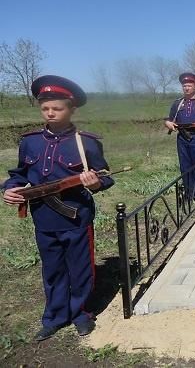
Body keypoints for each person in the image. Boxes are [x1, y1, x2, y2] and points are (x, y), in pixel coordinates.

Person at [2, 75, 114, 341]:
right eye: (45, 108)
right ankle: (54, 317)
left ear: (72, 109)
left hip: (76, 217)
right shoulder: (30, 141)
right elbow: (19, 174)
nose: (50, 113)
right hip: (43, 218)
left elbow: (106, 175)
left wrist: (95, 182)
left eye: (57, 108)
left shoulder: (86, 142)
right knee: (52, 269)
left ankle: (80, 314)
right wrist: (9, 188)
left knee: (80, 269)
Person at [164, 73, 195, 198]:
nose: (186, 88)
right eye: (184, 86)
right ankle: (188, 192)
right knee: (184, 165)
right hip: (182, 138)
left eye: (189, 86)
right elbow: (169, 120)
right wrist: (168, 124)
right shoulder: (177, 103)